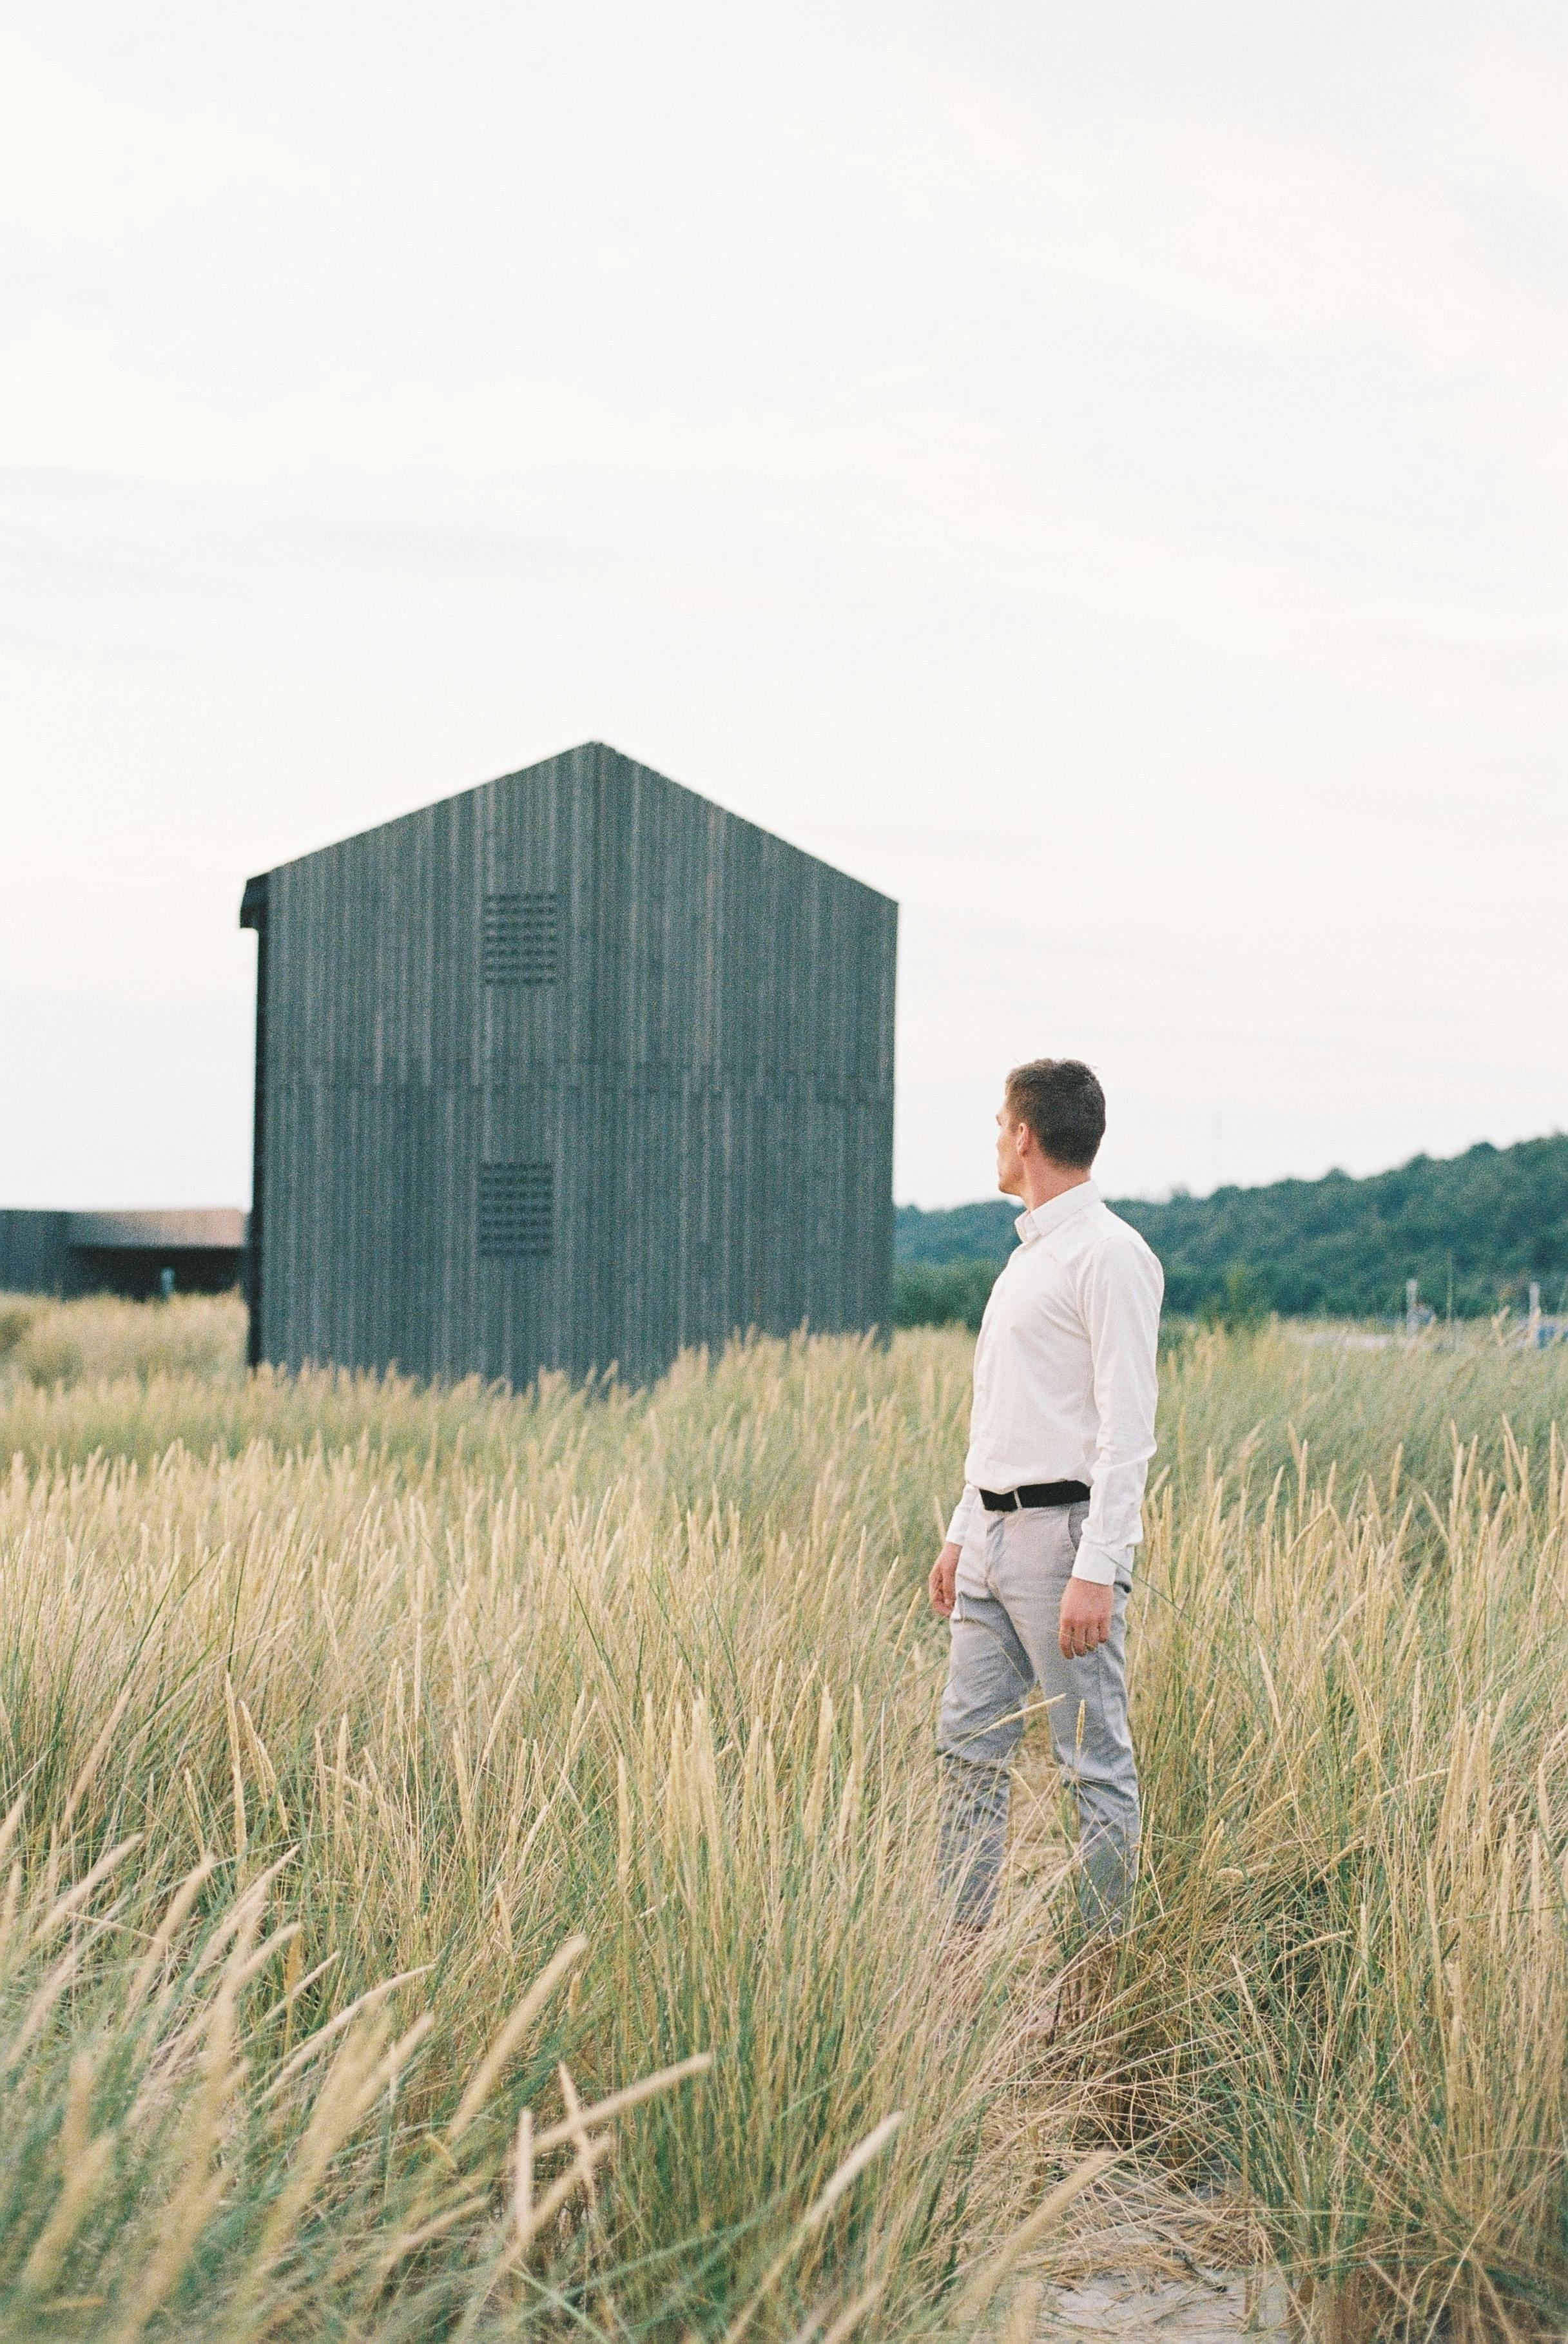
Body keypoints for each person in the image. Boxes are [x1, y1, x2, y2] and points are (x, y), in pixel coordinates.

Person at [928, 1058, 1163, 1942]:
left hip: (1064, 1541)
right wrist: (961, 1531)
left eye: (999, 1124)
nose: (995, 1139)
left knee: (1092, 1768)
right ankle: (956, 1974)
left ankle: (1097, 1995)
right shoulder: (1027, 1259)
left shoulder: (1110, 1254)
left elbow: (1126, 1429)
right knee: (965, 1757)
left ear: (1024, 1135)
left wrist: (1097, 1569)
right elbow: (1001, 1414)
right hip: (989, 1540)